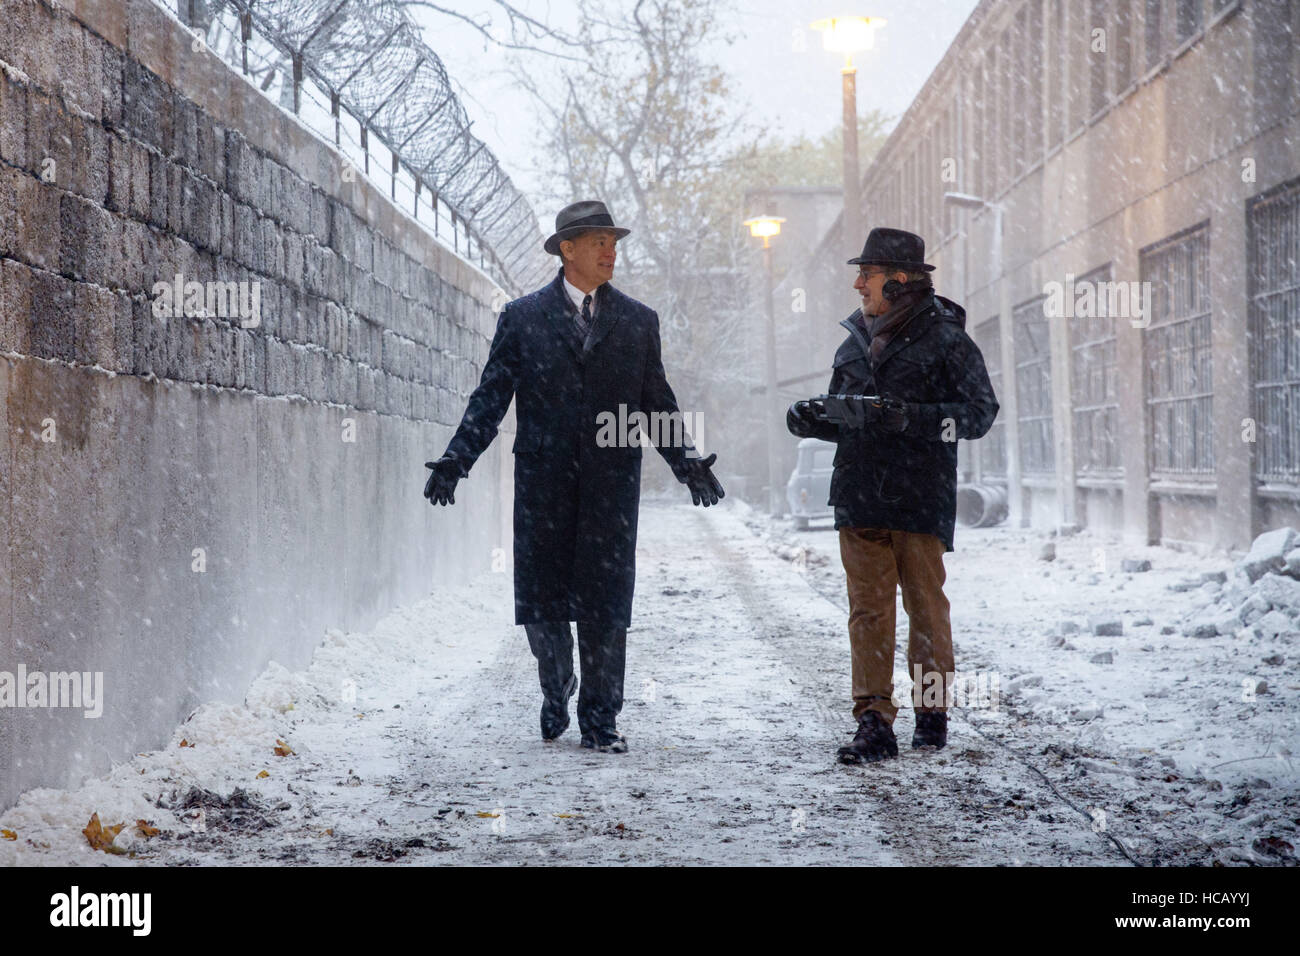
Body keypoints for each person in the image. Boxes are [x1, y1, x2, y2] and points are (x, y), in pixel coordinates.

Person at [424, 200, 724, 753]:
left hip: (610, 488)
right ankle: (556, 681)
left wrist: (687, 464)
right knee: (543, 607)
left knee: (606, 606)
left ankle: (601, 720)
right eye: (599, 242)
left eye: (614, 242)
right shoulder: (522, 318)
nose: (612, 252)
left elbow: (656, 403)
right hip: (544, 484)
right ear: (568, 249)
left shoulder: (638, 322)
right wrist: (456, 459)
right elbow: (490, 398)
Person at [787, 227, 998, 764]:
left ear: (901, 283)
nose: (858, 284)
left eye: (869, 275)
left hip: (918, 497)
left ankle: (931, 714)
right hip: (858, 496)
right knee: (868, 613)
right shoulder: (851, 339)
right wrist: (814, 419)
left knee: (925, 609)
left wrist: (912, 419)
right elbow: (848, 413)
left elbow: (978, 416)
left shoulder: (948, 339)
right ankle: (874, 722)